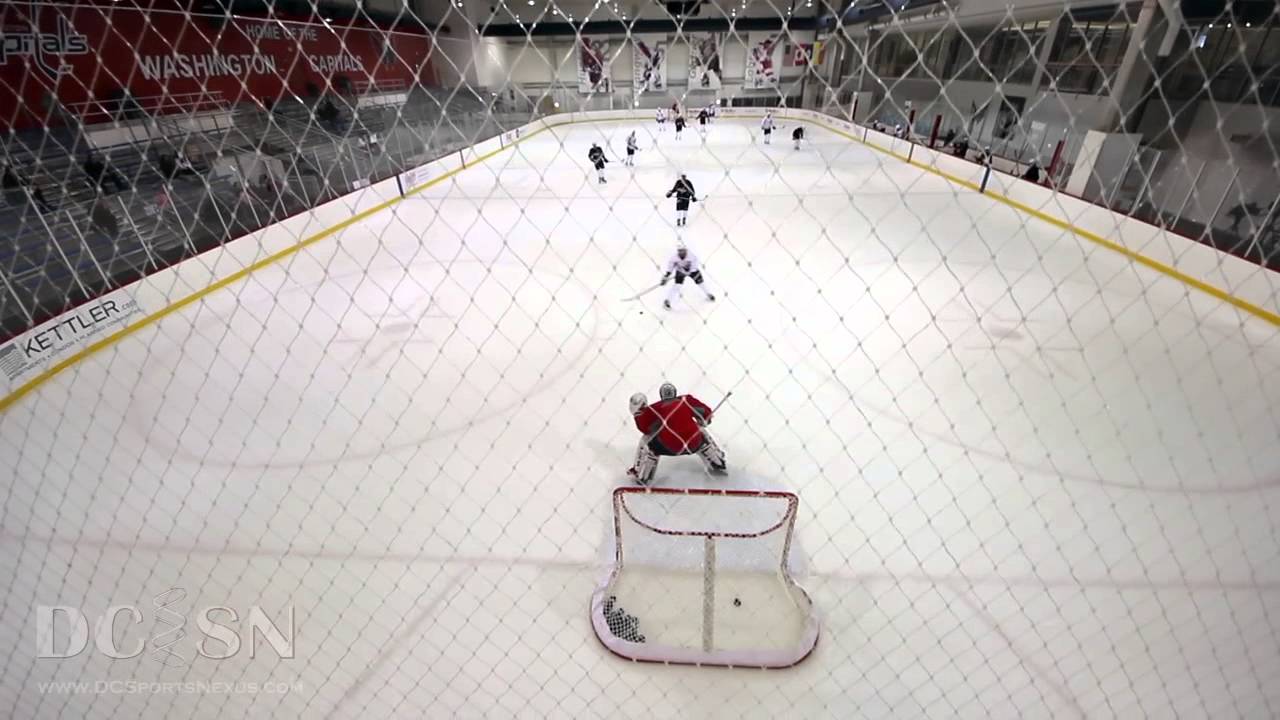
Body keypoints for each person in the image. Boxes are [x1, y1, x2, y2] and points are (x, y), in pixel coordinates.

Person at [627, 382, 726, 484]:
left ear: (661, 395)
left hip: (670, 446)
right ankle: (718, 461)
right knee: (700, 431)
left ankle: (642, 475)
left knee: (647, 442)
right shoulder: (685, 400)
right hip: (694, 444)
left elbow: (645, 429)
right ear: (675, 393)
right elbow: (706, 413)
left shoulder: (656, 408)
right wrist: (704, 419)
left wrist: (637, 413)